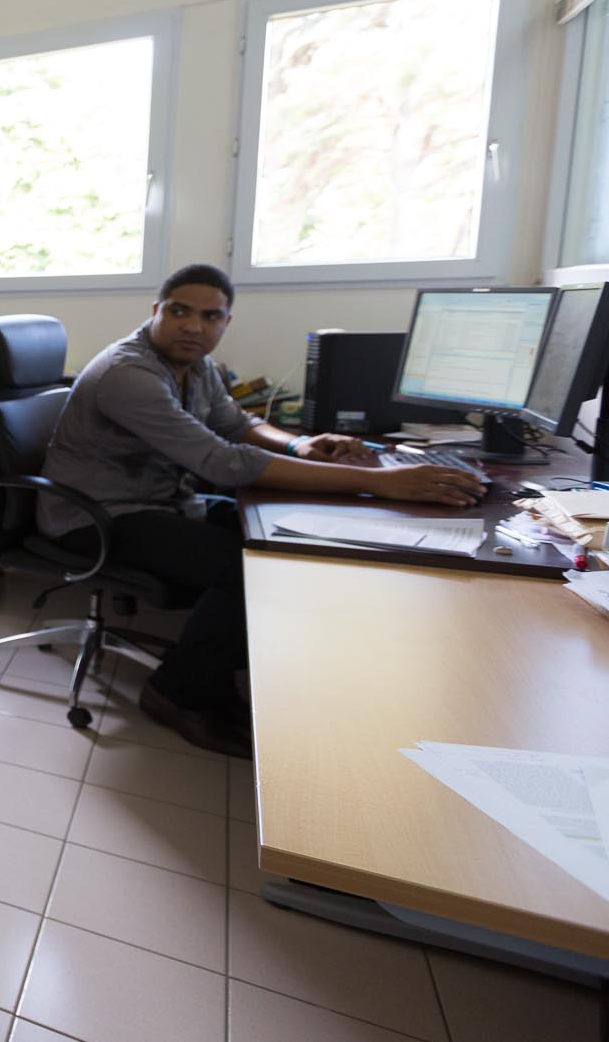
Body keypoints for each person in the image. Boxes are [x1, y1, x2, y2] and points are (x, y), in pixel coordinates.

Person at [39, 263, 484, 757]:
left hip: (162, 501)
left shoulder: (197, 366)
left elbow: (236, 422)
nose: (194, 326)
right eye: (180, 311)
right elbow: (222, 461)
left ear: (226, 323)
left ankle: (214, 680)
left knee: (280, 545)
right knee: (245, 567)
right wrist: (380, 483)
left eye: (211, 317)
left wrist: (301, 445)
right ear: (155, 311)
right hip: (95, 516)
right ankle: (176, 693)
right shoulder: (128, 374)